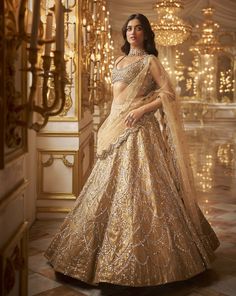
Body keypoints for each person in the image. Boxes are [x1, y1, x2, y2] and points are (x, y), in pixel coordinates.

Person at [45, 13, 220, 287]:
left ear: (146, 34)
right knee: (104, 188)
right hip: (115, 128)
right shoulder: (117, 60)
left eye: (138, 29)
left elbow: (169, 94)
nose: (132, 32)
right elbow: (116, 98)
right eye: (128, 28)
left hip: (140, 133)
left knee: (145, 188)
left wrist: (141, 110)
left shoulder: (150, 61)